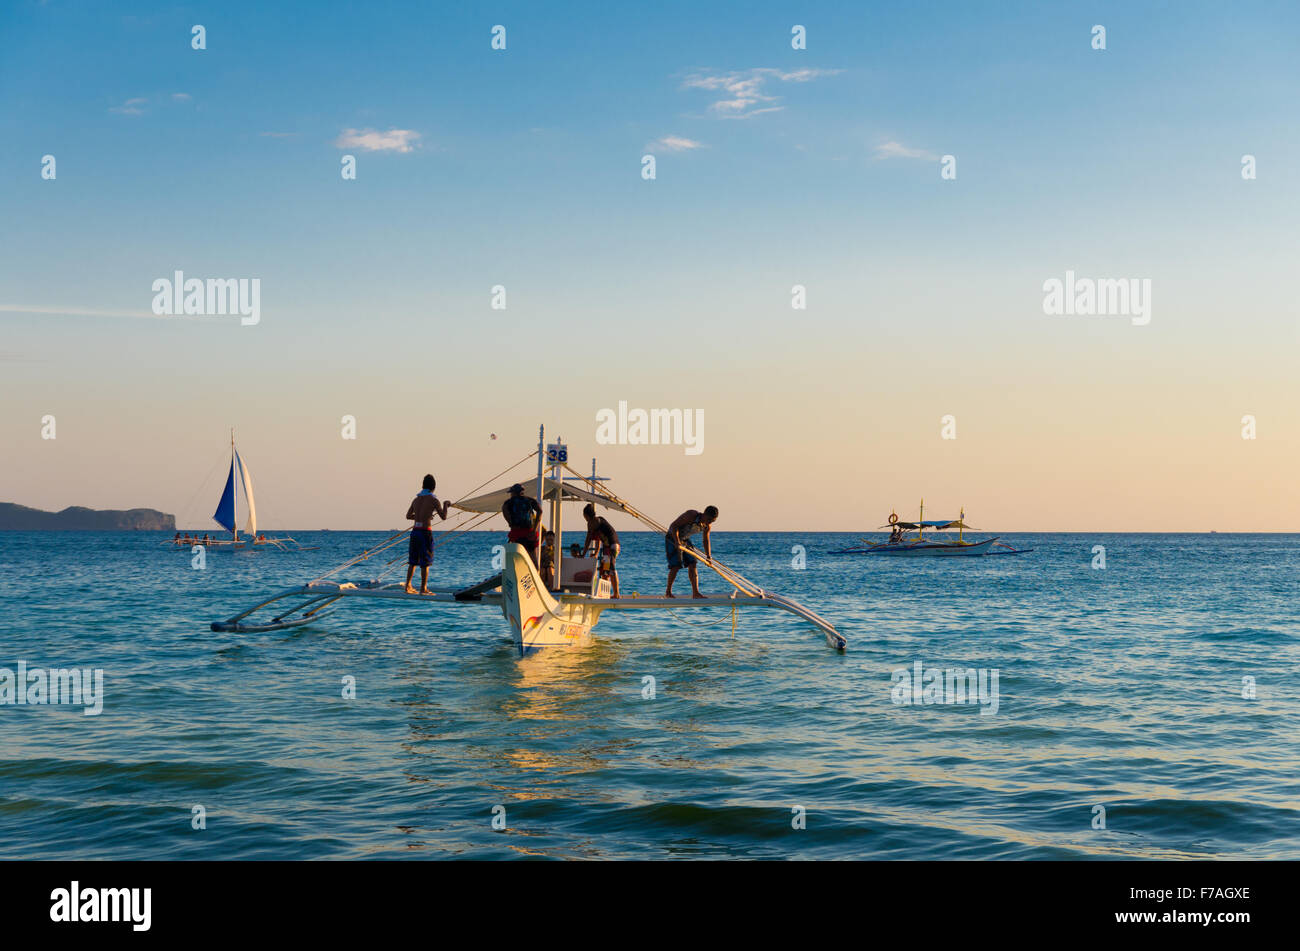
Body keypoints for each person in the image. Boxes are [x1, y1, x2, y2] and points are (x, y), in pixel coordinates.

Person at [405, 474, 450, 594]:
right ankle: (423, 588)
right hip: (425, 532)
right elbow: (443, 517)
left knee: (413, 560)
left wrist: (420, 517)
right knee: (425, 561)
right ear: (433, 487)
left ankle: (408, 586)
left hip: (415, 532)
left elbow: (408, 516)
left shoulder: (416, 499)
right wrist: (446, 505)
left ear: (422, 486)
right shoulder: (434, 500)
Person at [665, 505, 718, 598]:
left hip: (685, 540)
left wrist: (708, 556)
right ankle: (668, 592)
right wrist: (677, 542)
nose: (709, 522)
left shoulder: (707, 526)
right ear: (704, 514)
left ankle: (695, 593)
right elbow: (673, 526)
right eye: (709, 520)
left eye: (712, 521)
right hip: (672, 538)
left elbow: (706, 541)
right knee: (676, 565)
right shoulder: (691, 515)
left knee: (693, 563)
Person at [580, 503, 620, 598]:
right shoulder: (599, 520)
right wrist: (597, 552)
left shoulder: (591, 523)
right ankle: (606, 593)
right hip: (608, 548)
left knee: (611, 569)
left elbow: (588, 539)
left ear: (586, 515)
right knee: (605, 570)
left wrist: (583, 554)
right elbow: (598, 538)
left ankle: (616, 594)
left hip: (612, 546)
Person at [501, 483, 543, 568]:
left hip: (517, 531)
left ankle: (518, 569)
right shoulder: (530, 500)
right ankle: (536, 571)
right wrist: (535, 529)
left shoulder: (509, 502)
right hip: (529, 531)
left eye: (511, 493)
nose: (511, 494)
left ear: (514, 492)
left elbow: (504, 510)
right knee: (532, 554)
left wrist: (510, 523)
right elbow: (540, 511)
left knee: (516, 554)